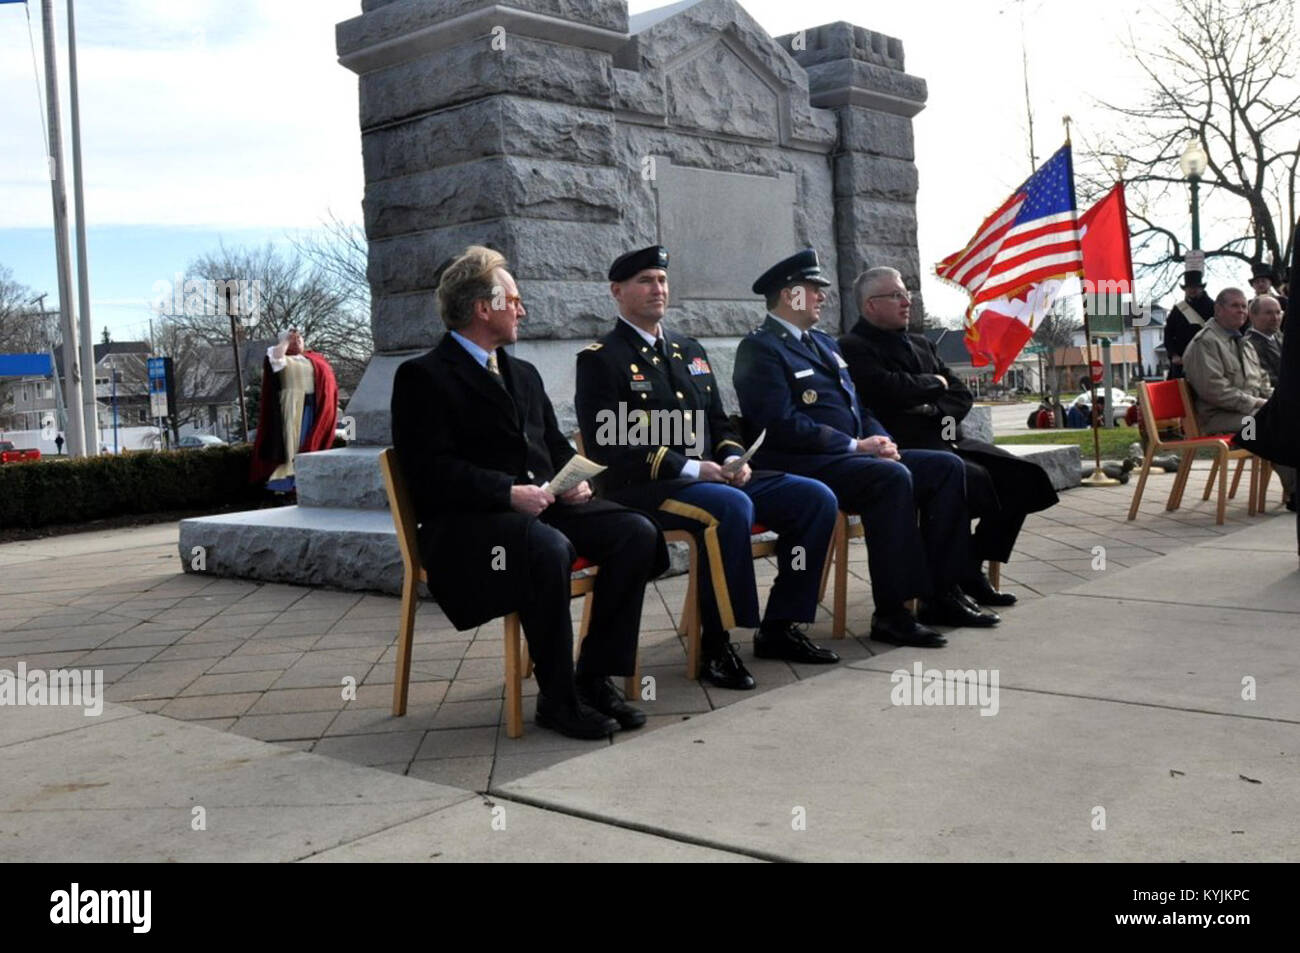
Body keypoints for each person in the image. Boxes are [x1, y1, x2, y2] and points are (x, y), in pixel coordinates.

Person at [391, 245, 667, 739]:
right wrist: (507, 492)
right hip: (469, 526)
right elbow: (429, 472)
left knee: (636, 531)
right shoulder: (422, 376)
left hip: (541, 511)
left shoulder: (522, 372)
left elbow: (555, 446)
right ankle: (557, 700)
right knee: (548, 548)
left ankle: (593, 678)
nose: (522, 309)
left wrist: (575, 477)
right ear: (483, 307)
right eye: (514, 299)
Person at [575, 245, 840, 691]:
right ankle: (716, 644)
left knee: (814, 497)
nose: (657, 288)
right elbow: (612, 443)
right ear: (617, 292)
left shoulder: (688, 348)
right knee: (727, 507)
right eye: (644, 281)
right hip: (642, 487)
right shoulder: (602, 358)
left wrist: (734, 457)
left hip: (711, 479)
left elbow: (718, 421)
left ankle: (781, 625)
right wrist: (697, 470)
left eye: (661, 280)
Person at [733, 249, 997, 650]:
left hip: (852, 457)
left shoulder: (823, 344)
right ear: (790, 295)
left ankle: (941, 594)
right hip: (803, 463)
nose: (822, 296)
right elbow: (779, 424)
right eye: (813, 289)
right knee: (890, 478)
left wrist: (881, 439)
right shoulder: (761, 348)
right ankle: (892, 613)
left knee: (946, 467)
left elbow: (860, 407)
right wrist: (855, 444)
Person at [837, 266, 1058, 605]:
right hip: (905, 446)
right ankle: (947, 586)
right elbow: (887, 390)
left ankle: (971, 564)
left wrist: (932, 409)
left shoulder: (922, 343)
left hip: (947, 436)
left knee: (1025, 477)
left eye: (906, 294)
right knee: (972, 478)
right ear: (870, 305)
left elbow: (960, 392)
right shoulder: (853, 346)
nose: (906, 302)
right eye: (896, 295)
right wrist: (932, 386)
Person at [1183, 287, 1295, 500]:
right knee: (1271, 424)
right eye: (1235, 306)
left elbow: (1262, 382)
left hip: (1245, 416)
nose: (1241, 311)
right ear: (1218, 309)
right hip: (1218, 421)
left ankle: (1293, 487)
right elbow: (1215, 391)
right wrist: (1258, 404)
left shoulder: (1243, 342)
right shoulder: (1205, 343)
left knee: (1287, 416)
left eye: (1244, 306)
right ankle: (1295, 492)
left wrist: (1278, 401)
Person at [249, 327, 338, 491]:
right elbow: (276, 357)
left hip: (313, 405)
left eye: (299, 338)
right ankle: (290, 481)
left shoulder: (314, 358)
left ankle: (309, 477)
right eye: (293, 339)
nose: (297, 341)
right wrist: (286, 340)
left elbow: (327, 383)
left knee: (310, 440)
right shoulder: (279, 356)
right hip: (292, 405)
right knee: (294, 442)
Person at [1163, 270, 1214, 380]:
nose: (1192, 290)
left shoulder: (1212, 307)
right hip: (1182, 361)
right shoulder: (1178, 309)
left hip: (1206, 360)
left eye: (1195, 287)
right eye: (1189, 287)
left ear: (1201, 288)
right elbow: (1168, 333)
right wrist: (1173, 354)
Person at [1244, 294, 1284, 388]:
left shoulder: (1279, 338)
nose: (1275, 318)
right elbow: (1269, 381)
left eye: (1278, 313)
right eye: (1268, 313)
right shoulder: (1249, 346)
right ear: (1252, 316)